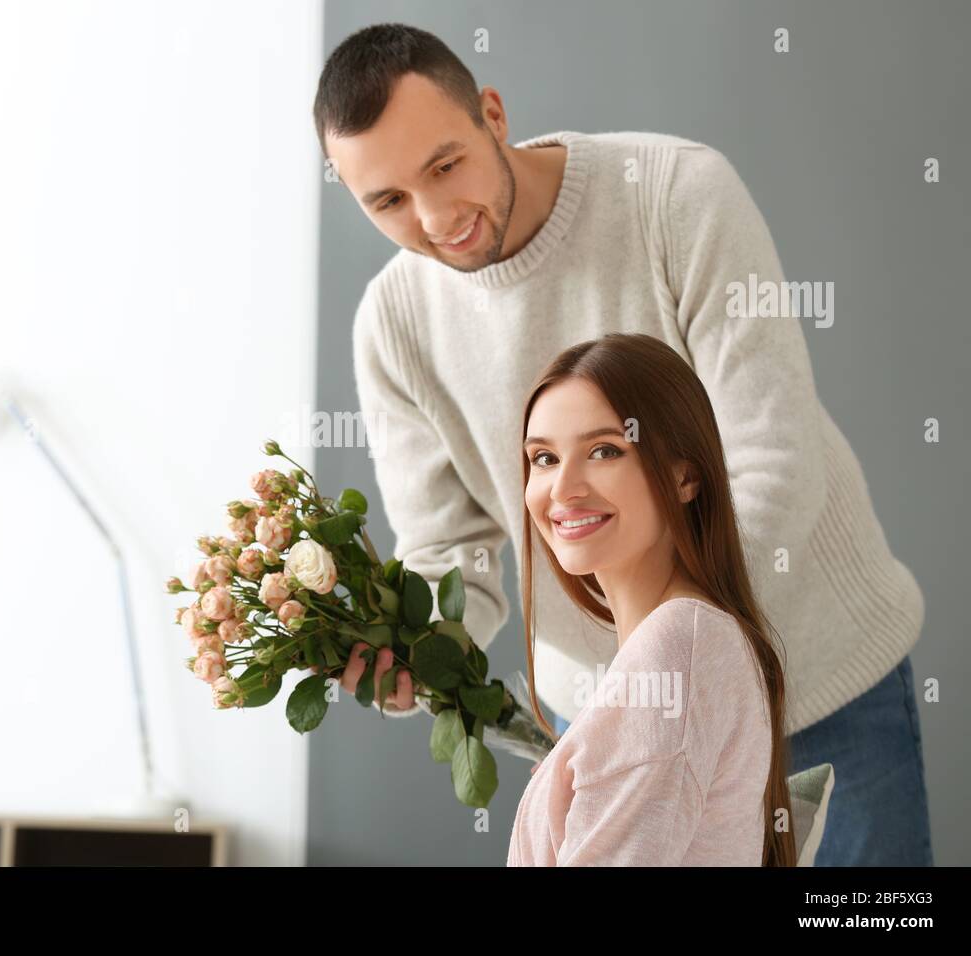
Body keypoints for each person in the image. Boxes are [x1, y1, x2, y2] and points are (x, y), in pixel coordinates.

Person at [312, 22, 932, 865]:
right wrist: (414, 653)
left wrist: (675, 660)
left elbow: (772, 464)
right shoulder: (392, 325)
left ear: (494, 114)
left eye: (445, 166)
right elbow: (452, 554)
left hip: (818, 681)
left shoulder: (674, 192)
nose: (435, 218)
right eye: (386, 201)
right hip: (608, 709)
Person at [508, 332, 789, 865]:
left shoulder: (679, 648)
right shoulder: (684, 642)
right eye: (543, 458)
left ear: (685, 476)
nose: (563, 487)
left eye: (604, 451)